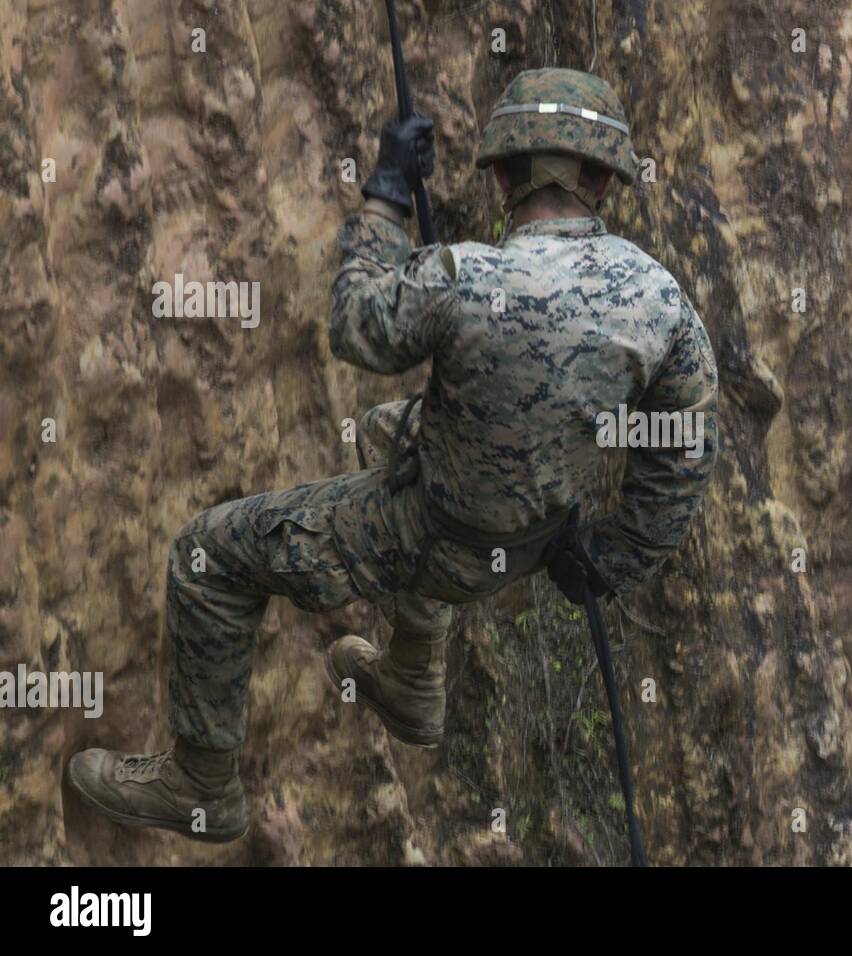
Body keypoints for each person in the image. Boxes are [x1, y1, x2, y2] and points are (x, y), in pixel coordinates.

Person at [65, 67, 718, 843]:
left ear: (503, 174)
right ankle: (411, 679)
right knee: (389, 428)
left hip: (432, 537)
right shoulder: (658, 298)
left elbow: (357, 326)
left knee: (207, 555)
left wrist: (384, 198)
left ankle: (202, 785)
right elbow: (684, 448)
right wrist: (613, 557)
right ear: (605, 183)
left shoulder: (463, 275)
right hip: (540, 544)